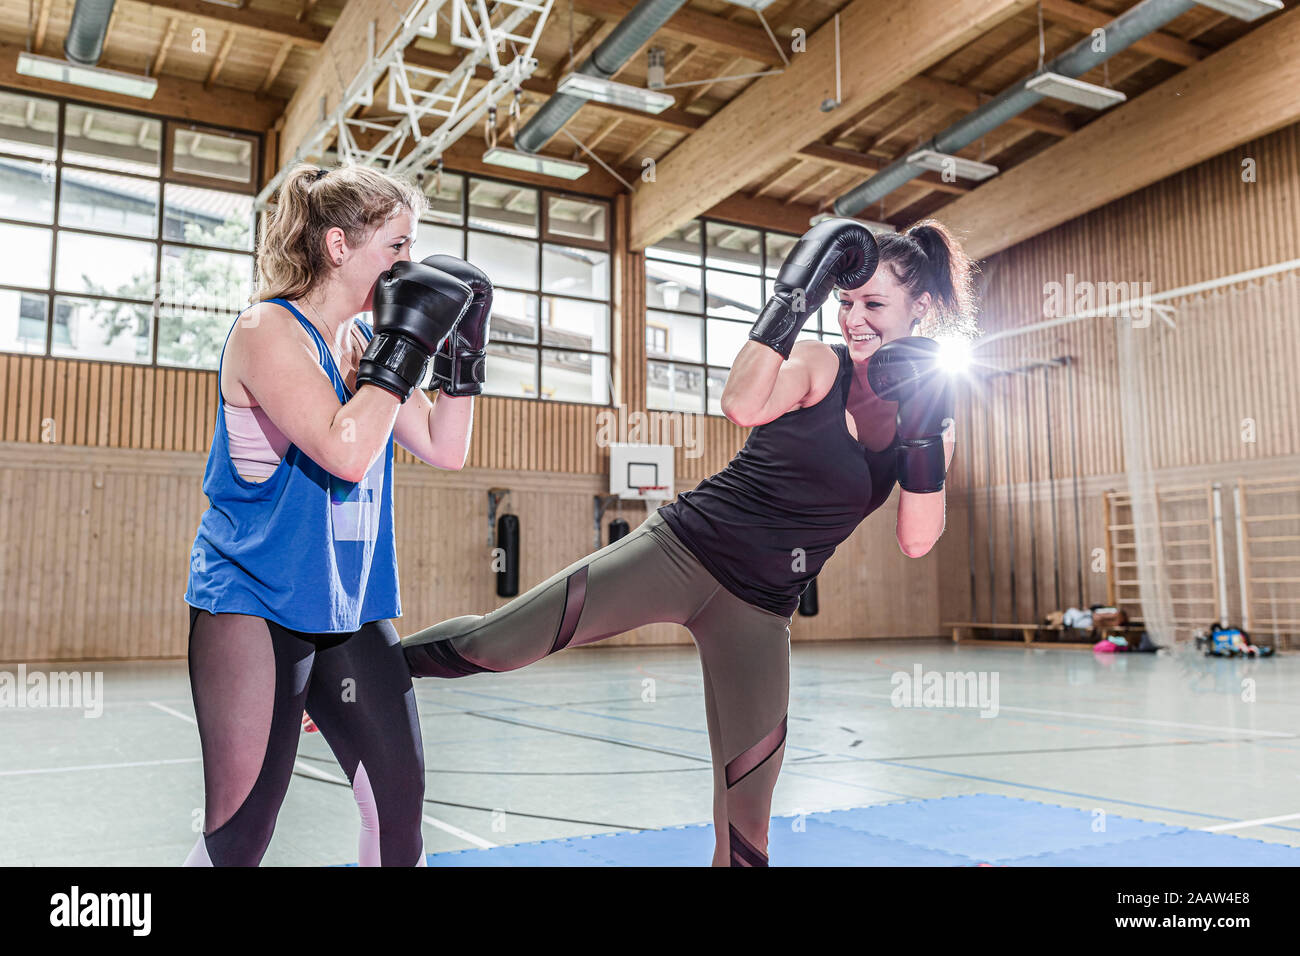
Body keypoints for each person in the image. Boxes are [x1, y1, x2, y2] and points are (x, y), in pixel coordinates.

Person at [402, 218, 978, 866]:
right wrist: (791, 300)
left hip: (761, 612)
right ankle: (361, 671)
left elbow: (917, 540)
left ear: (921, 307)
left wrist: (925, 435)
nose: (853, 318)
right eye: (845, 301)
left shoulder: (932, 414)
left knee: (746, 831)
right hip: (682, 551)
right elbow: (741, 403)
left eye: (874, 304)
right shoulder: (820, 362)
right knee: (497, 644)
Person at [182, 163, 494, 866]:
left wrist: (464, 355)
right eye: (398, 246)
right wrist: (408, 345)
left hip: (346, 606)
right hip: (253, 606)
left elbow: (447, 449)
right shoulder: (268, 330)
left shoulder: (360, 345)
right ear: (337, 247)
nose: (410, 264)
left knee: (398, 812)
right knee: (241, 833)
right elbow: (345, 451)